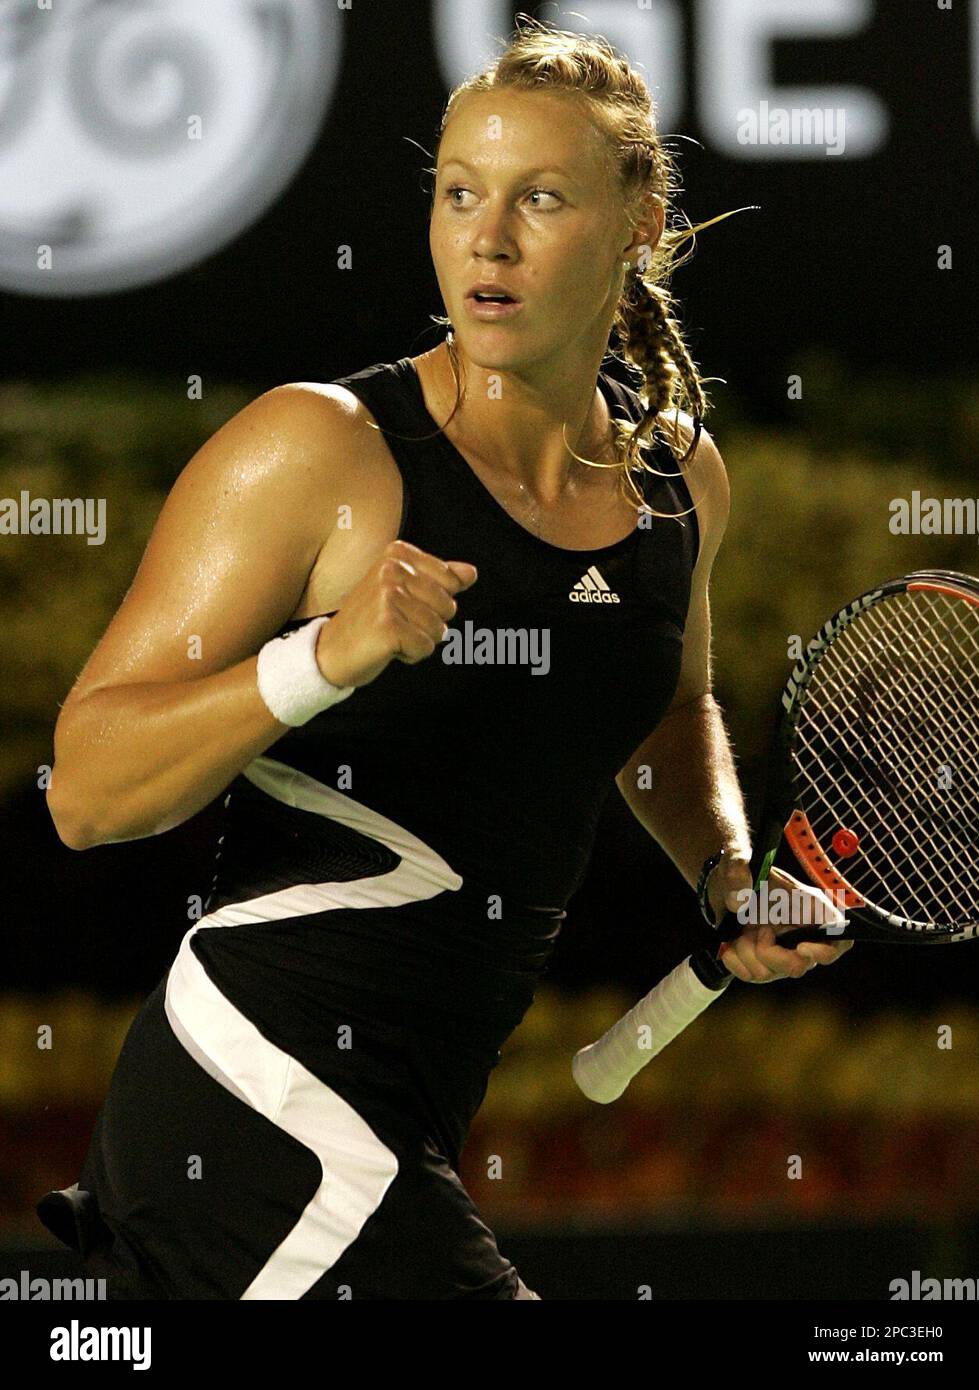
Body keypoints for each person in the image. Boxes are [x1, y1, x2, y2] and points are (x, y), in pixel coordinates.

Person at [37, 19, 850, 1299]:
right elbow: (85, 790)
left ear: (639, 223)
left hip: (400, 1125)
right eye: (461, 192)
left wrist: (726, 875)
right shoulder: (316, 451)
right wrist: (327, 657)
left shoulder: (678, 480)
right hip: (258, 1100)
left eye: (541, 198)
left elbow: (657, 708)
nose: (489, 237)